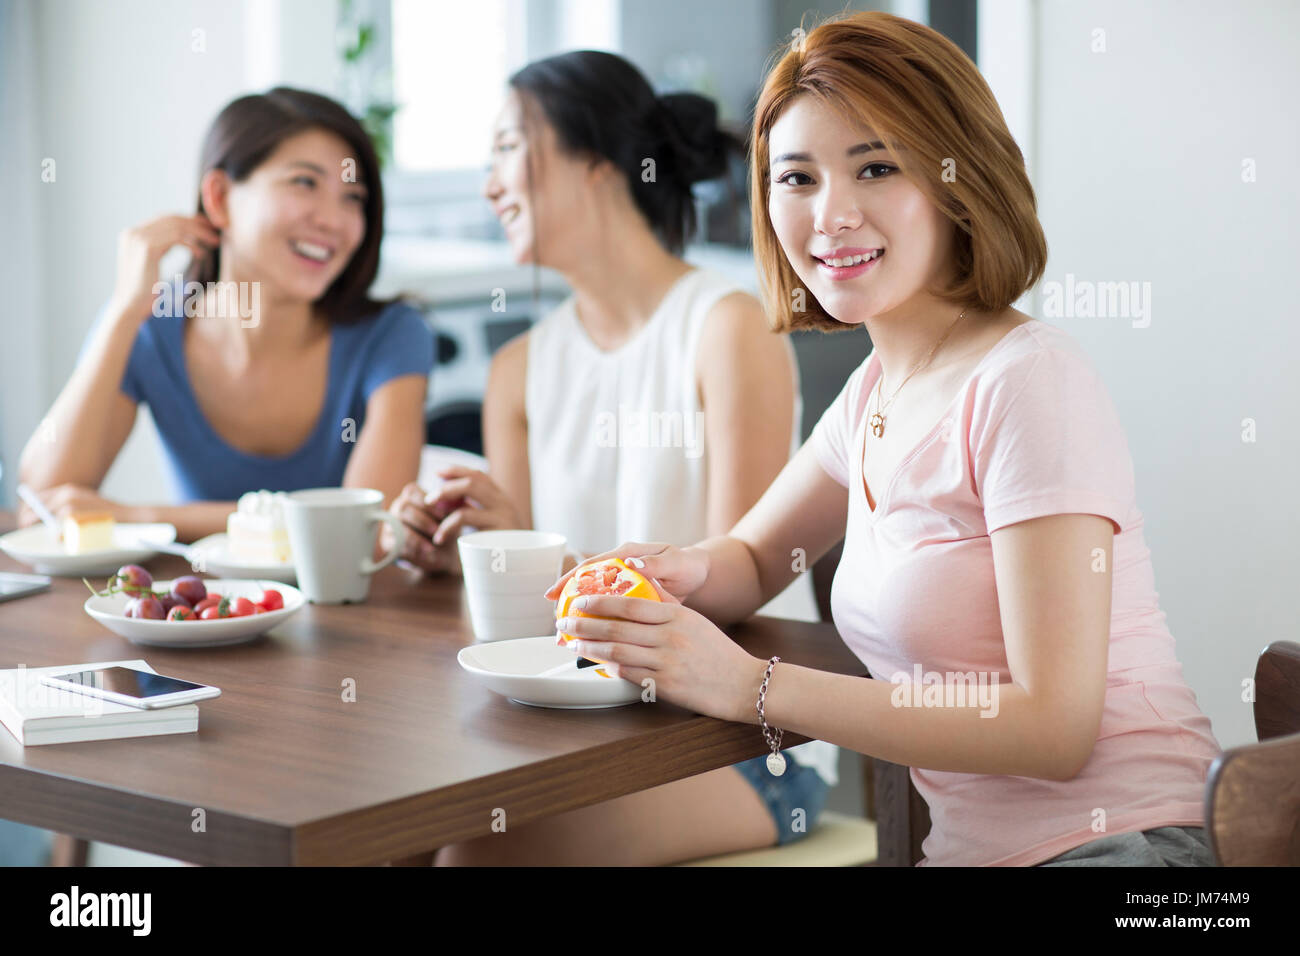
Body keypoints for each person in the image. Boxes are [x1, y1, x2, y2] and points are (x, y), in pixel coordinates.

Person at [544, 13, 1222, 867]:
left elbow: (1056, 726)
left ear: (957, 178)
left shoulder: (1028, 381)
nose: (831, 216)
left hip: (1141, 852)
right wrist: (670, 576)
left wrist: (747, 685)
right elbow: (758, 560)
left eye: (876, 166)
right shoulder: (874, 391)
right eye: (797, 178)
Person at [385, 51, 839, 865]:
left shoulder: (727, 327)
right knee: (392, 838)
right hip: (571, 733)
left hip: (737, 744)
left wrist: (557, 568)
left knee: (473, 857)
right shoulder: (516, 369)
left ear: (596, 163)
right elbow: (527, 626)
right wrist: (471, 552)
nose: (489, 183)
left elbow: (740, 592)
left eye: (504, 147)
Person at [18, 87, 432, 539]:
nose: (334, 221)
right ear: (218, 197)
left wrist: (136, 516)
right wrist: (124, 310)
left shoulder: (392, 336)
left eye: (354, 198)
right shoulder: (152, 326)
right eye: (305, 182)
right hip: (201, 606)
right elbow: (41, 504)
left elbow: (365, 530)